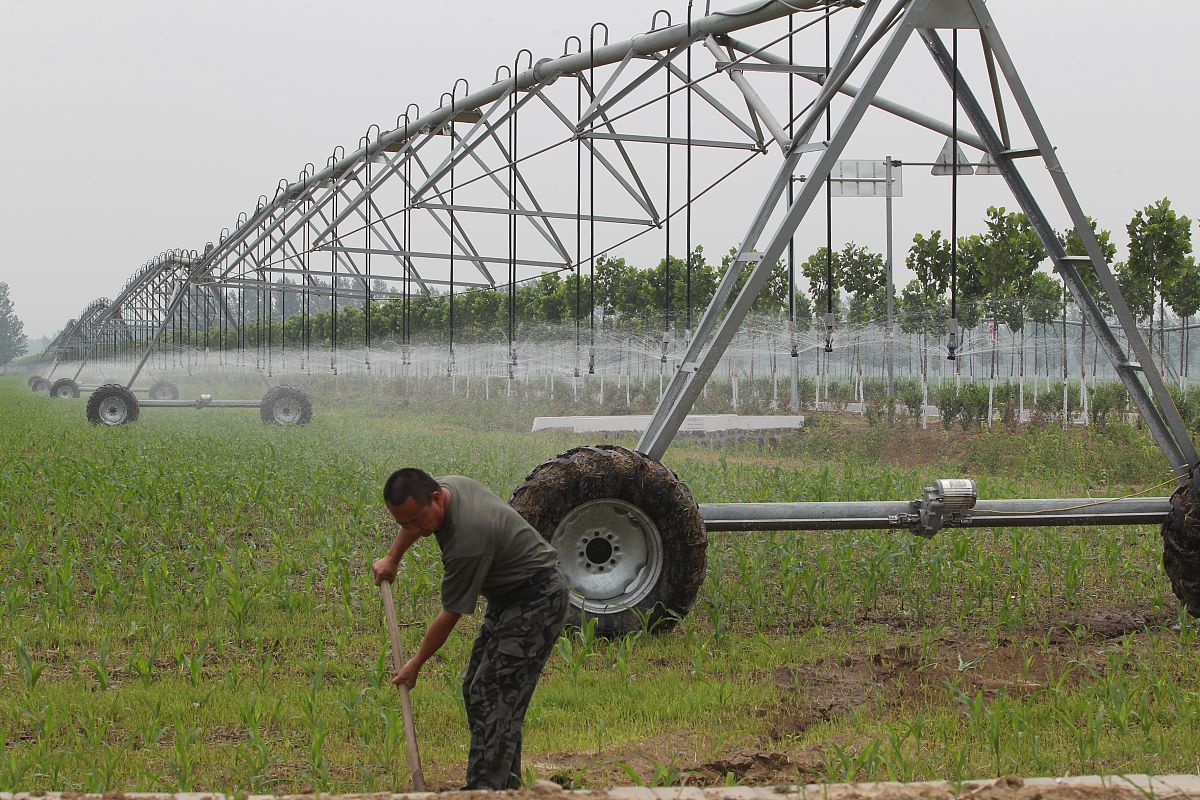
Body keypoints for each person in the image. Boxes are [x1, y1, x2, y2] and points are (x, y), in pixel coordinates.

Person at [372, 467, 568, 790]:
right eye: (403, 523)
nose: (414, 530)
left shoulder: (468, 538)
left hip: (538, 601)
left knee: (492, 694)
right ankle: (504, 786)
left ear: (436, 499)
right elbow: (412, 520)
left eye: (418, 521)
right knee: (478, 691)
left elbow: (450, 616)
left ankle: (483, 791)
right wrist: (393, 558)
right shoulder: (442, 492)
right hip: (509, 598)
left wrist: (415, 664)